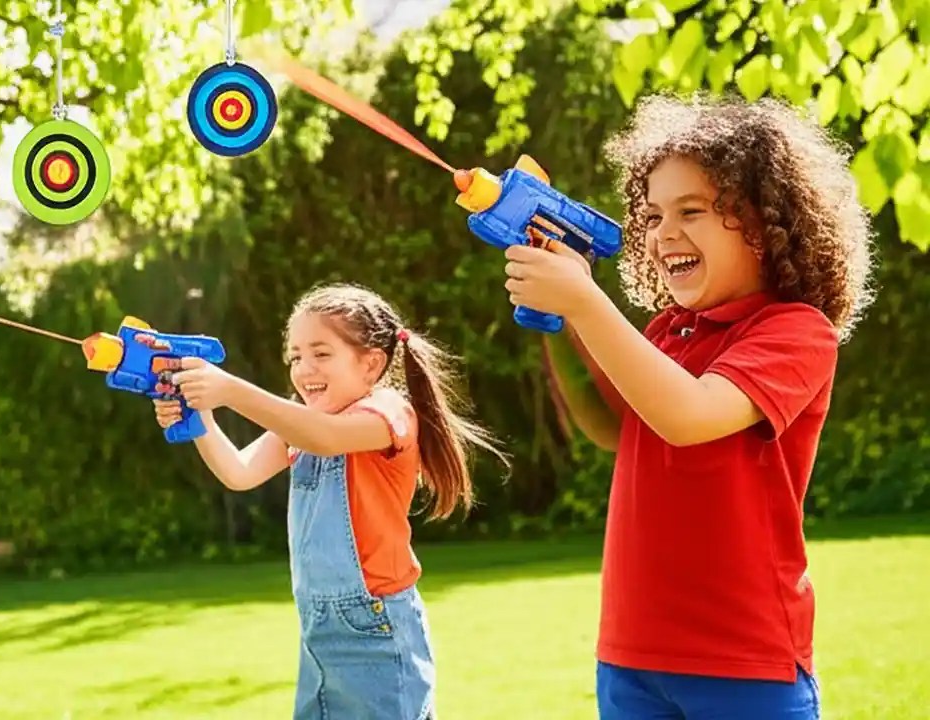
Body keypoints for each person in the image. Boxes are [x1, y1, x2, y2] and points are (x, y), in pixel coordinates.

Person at [502, 93, 876, 719]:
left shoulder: (795, 330)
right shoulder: (666, 333)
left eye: (692, 210)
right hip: (631, 656)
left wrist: (586, 301)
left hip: (743, 660)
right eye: (652, 215)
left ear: (767, 225)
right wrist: (562, 319)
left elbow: (688, 416)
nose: (663, 233)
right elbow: (610, 426)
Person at [152, 282, 508, 720]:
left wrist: (229, 390)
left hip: (376, 629)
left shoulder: (388, 412)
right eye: (295, 357)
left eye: (321, 354)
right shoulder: (305, 422)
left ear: (371, 363)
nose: (304, 369)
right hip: (318, 631)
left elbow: (326, 438)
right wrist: (198, 413)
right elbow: (239, 472)